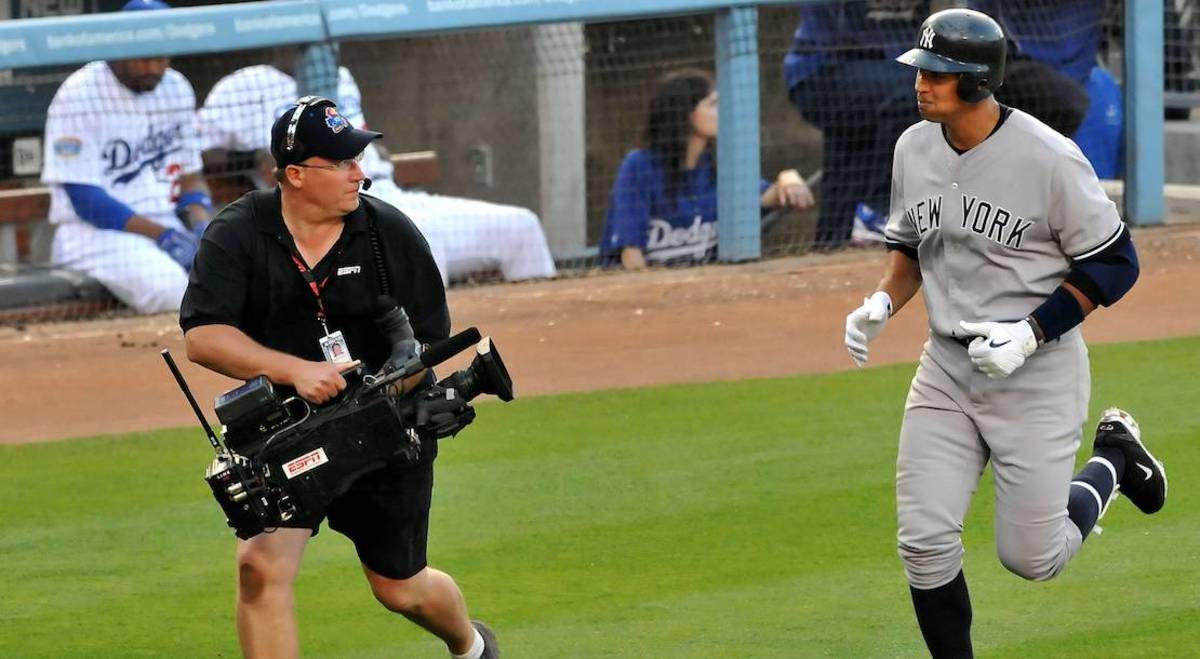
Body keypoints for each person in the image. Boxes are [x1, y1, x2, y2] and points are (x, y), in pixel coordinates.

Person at [843, 10, 1167, 656]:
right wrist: (882, 301)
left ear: (977, 83)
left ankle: (1116, 461)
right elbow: (910, 245)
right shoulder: (914, 148)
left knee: (1032, 558)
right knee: (924, 540)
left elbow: (1115, 261)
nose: (921, 84)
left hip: (1036, 375)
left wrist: (1029, 333)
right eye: (921, 70)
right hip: (947, 372)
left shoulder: (1049, 160)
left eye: (938, 74)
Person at [179, 97, 498, 658]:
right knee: (259, 569)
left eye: (359, 159)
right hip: (288, 432)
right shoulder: (236, 233)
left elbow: (428, 338)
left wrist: (397, 385)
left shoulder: (387, 233)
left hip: (384, 431)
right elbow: (203, 336)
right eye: (344, 163)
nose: (361, 173)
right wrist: (297, 371)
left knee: (401, 588)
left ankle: (471, 646)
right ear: (296, 174)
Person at [198, 47, 557, 285]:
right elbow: (200, 154)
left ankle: (547, 352)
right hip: (335, 209)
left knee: (521, 227)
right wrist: (256, 157)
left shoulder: (339, 75)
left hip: (388, 191)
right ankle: (422, 363)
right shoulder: (244, 85)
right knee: (420, 237)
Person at [40, 0, 212, 314]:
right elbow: (84, 198)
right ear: (120, 47)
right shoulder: (79, 92)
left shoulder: (176, 88)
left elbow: (190, 175)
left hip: (166, 225)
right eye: (143, 58)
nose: (154, 68)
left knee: (236, 278)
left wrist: (203, 224)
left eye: (161, 57)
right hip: (95, 235)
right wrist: (164, 236)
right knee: (172, 289)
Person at [600, 69, 815, 269]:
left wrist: (788, 178)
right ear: (686, 113)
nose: (722, 112)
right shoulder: (640, 166)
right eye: (712, 104)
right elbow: (630, 255)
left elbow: (764, 197)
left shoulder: (718, 166)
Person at [783, 1, 926, 248]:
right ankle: (877, 207)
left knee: (851, 149)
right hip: (824, 68)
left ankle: (833, 238)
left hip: (889, 70)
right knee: (916, 92)